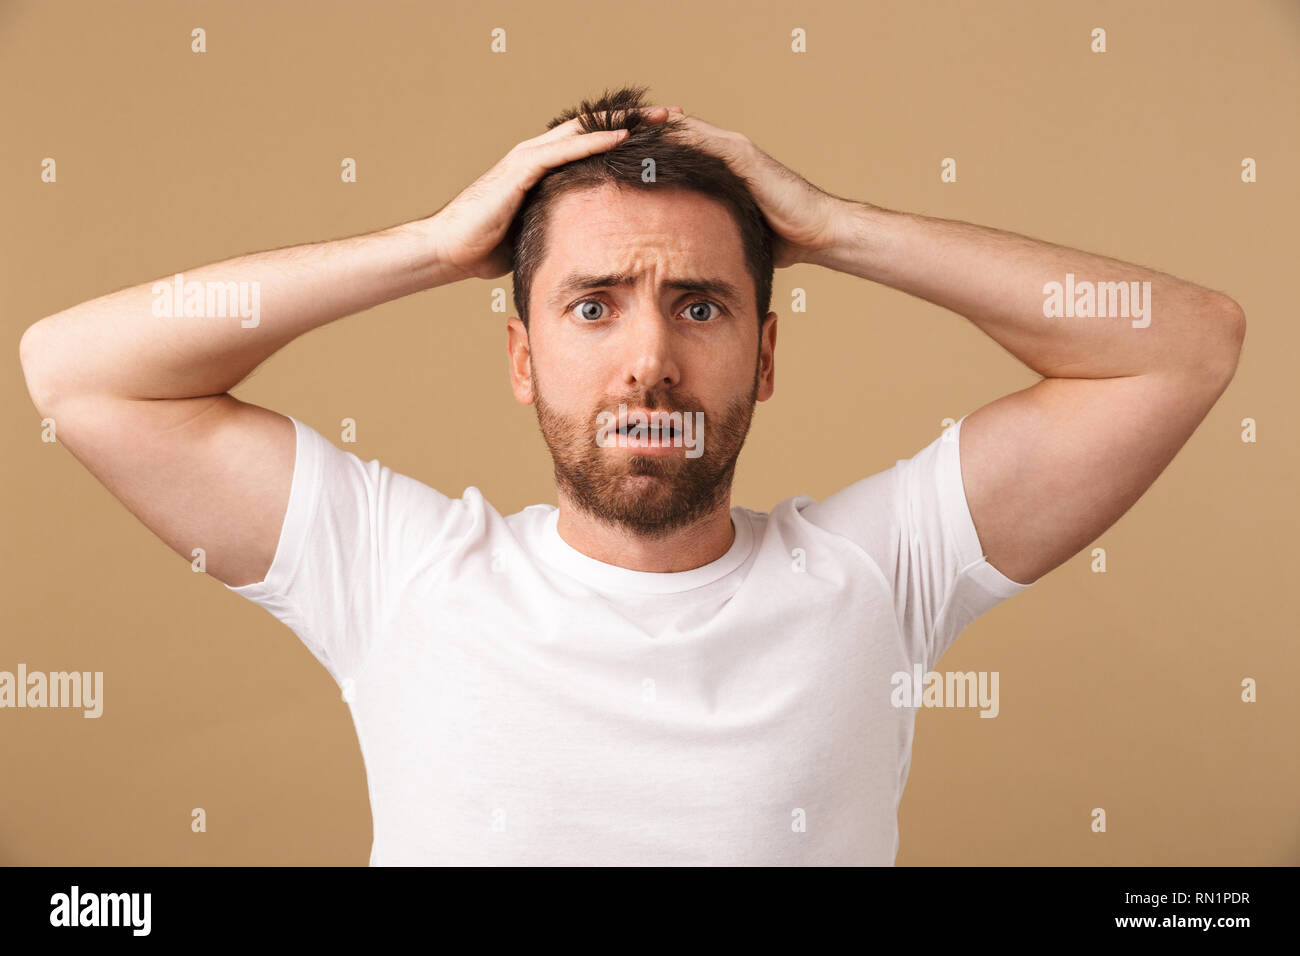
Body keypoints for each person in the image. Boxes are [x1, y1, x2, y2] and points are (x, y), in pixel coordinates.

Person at [18, 86, 1245, 865]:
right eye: (592, 306)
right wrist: (433, 245)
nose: (650, 361)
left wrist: (833, 227)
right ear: (521, 354)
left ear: (764, 355)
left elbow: (1182, 347)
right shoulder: (396, 573)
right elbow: (76, 372)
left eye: (700, 305)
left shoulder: (877, 574)